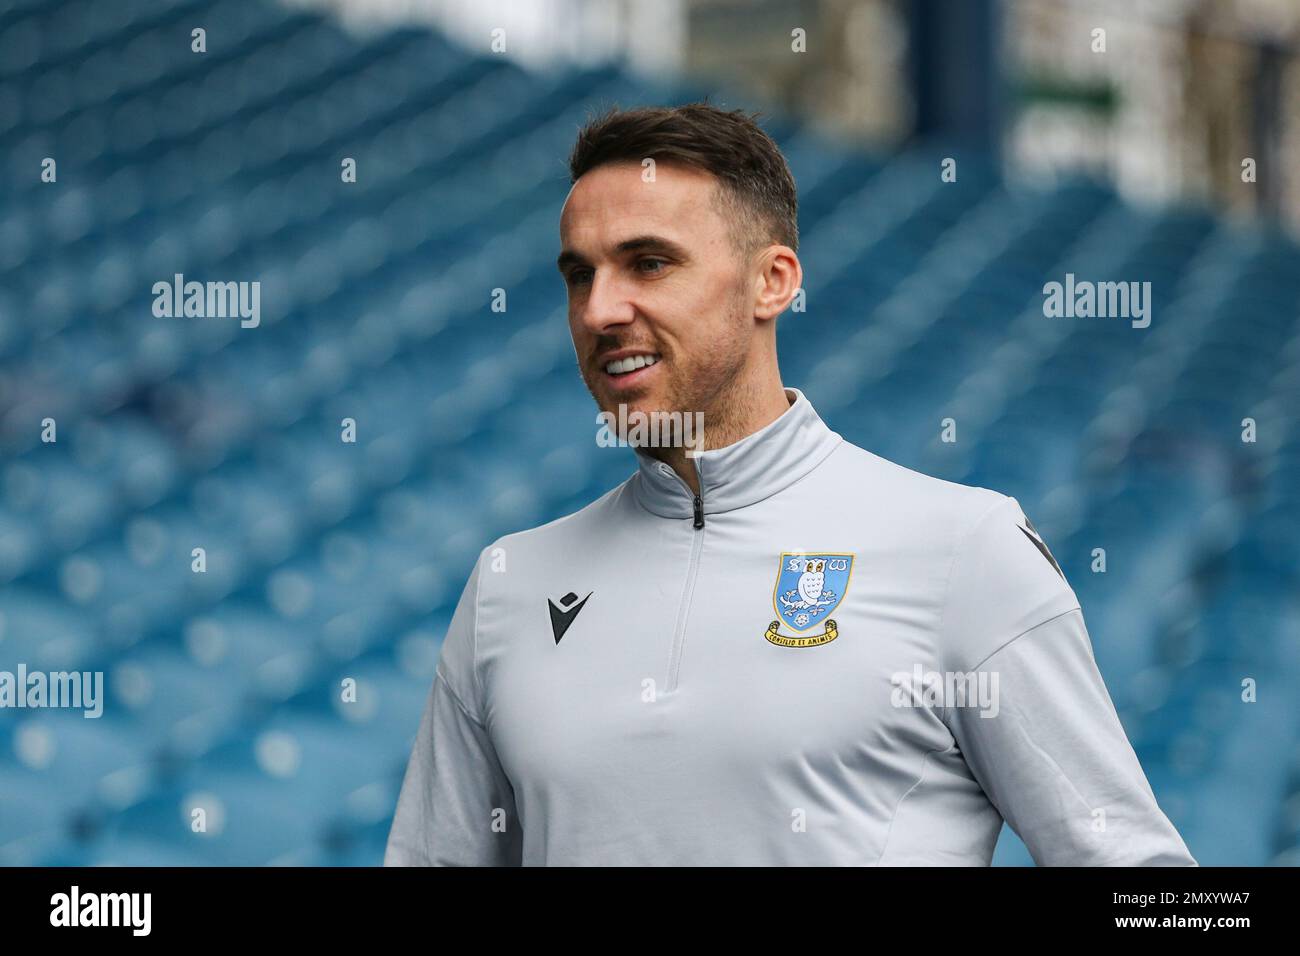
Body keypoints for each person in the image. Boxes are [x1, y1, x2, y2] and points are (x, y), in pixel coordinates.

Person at [384, 103, 1196, 866]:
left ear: (772, 281)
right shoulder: (508, 585)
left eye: (649, 263)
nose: (600, 309)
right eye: (578, 275)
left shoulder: (963, 550)